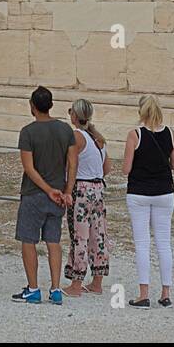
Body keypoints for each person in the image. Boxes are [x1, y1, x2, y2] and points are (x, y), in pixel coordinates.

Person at [12, 85, 76, 306]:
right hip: (59, 194)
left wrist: (48, 189)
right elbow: (72, 163)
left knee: (28, 241)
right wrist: (67, 191)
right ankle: (56, 289)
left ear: (32, 106)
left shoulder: (28, 132)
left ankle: (33, 289)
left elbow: (29, 168)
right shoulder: (65, 130)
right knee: (53, 241)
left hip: (35, 193)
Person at [122, 94, 174, 308]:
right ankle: (166, 293)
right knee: (164, 243)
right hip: (164, 191)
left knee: (142, 243)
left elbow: (126, 168)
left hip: (139, 193)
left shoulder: (134, 134)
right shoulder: (170, 134)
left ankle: (143, 293)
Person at [63, 98, 110, 298]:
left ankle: (76, 283)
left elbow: (71, 166)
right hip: (98, 189)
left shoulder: (77, 136)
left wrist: (68, 190)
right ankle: (97, 282)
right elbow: (107, 168)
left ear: (75, 115)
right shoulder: (99, 140)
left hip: (81, 189)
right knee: (97, 236)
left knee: (79, 236)